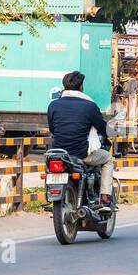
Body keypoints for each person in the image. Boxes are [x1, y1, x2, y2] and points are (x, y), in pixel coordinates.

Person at [47, 70, 114, 209]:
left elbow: (53, 129)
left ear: (64, 86)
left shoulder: (53, 105)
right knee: (108, 159)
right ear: (81, 87)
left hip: (58, 153)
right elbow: (103, 128)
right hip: (81, 153)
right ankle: (105, 197)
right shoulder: (90, 106)